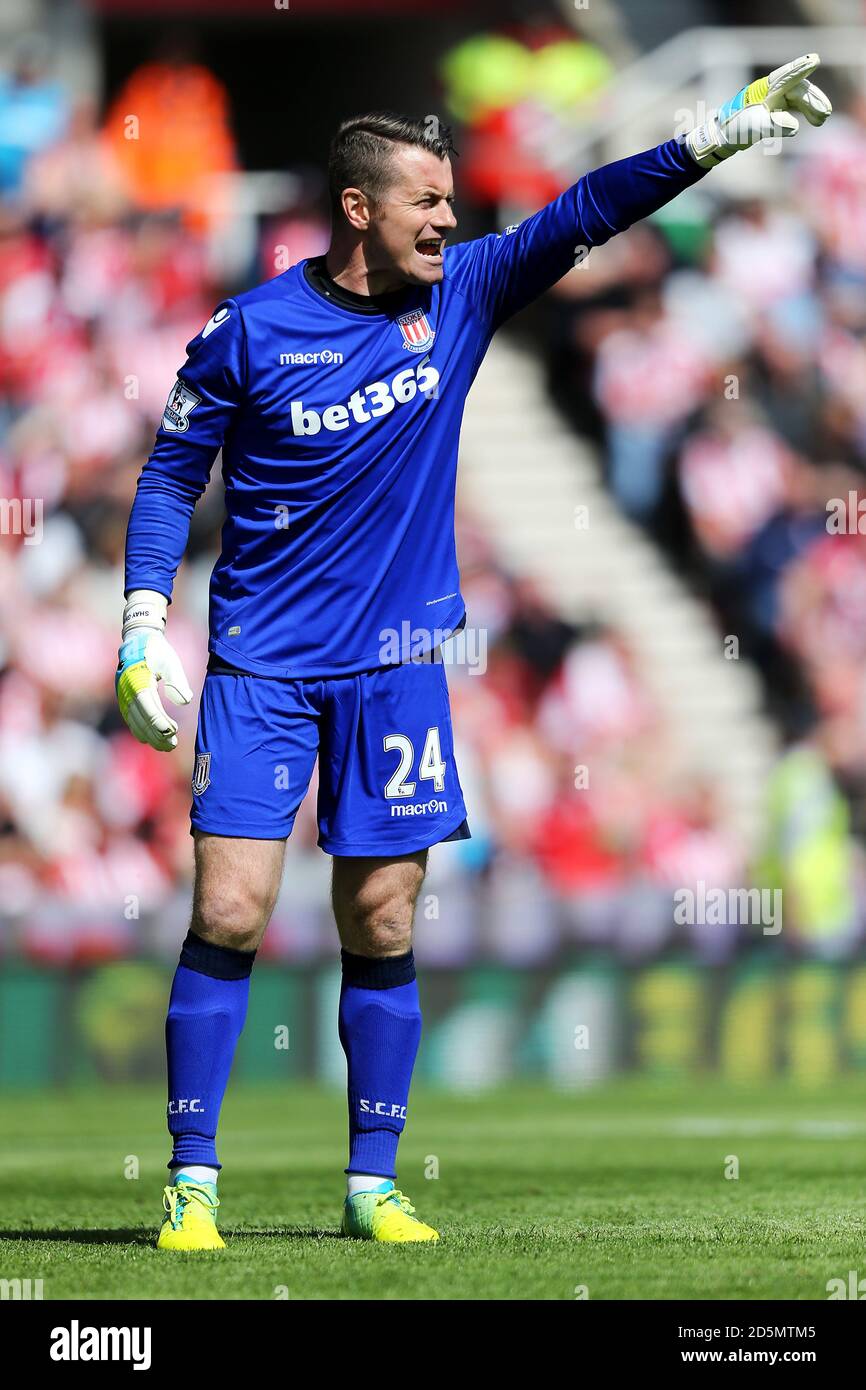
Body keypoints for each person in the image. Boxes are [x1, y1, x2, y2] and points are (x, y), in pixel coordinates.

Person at [115, 57, 831, 1249]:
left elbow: (582, 211)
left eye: (450, 201)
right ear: (358, 209)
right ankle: (193, 1176)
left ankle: (371, 1182)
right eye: (426, 201)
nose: (450, 218)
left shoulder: (461, 292)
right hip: (260, 669)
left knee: (384, 918)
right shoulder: (248, 331)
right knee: (232, 908)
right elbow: (169, 474)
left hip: (395, 667)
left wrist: (715, 135)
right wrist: (143, 622)